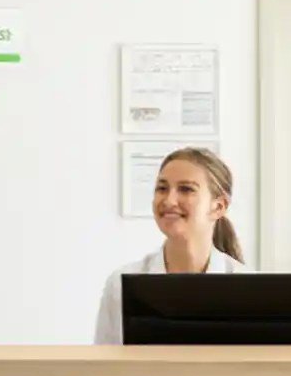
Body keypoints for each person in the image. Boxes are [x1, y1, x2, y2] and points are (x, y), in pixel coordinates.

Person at [95, 147, 248, 344]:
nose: (169, 200)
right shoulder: (121, 284)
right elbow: (105, 368)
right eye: (162, 188)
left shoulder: (247, 289)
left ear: (218, 207)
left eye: (186, 189)